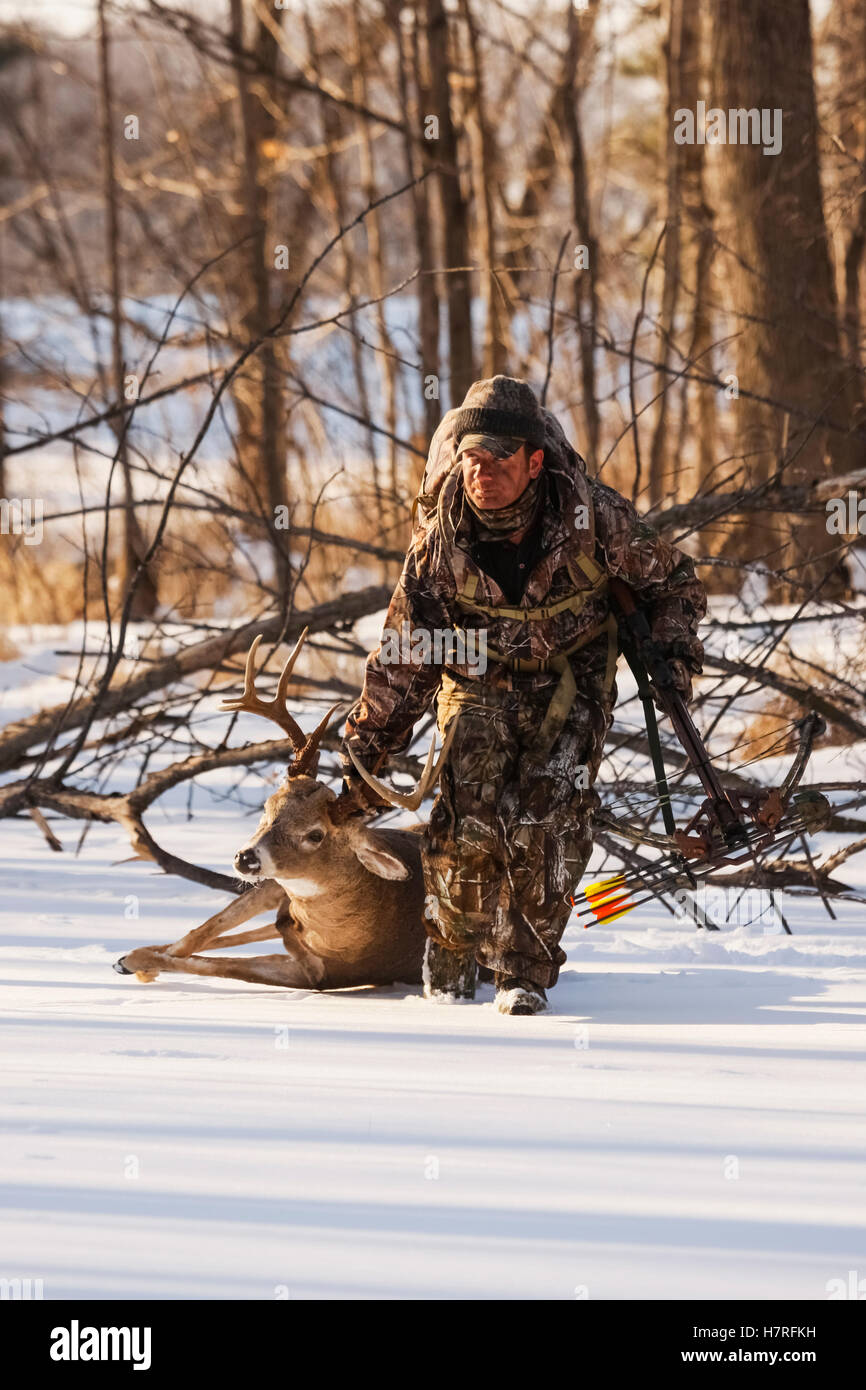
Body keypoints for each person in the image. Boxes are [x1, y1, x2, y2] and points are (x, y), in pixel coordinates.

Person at [340, 376, 706, 1014]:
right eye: (472, 460)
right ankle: (451, 965)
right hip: (477, 678)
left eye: (500, 460)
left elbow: (674, 580)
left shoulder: (597, 517)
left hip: (574, 677)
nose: (482, 474)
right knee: (465, 825)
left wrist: (671, 653)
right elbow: (406, 651)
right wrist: (368, 751)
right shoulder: (439, 541)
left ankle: (524, 975)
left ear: (535, 462)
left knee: (549, 816)